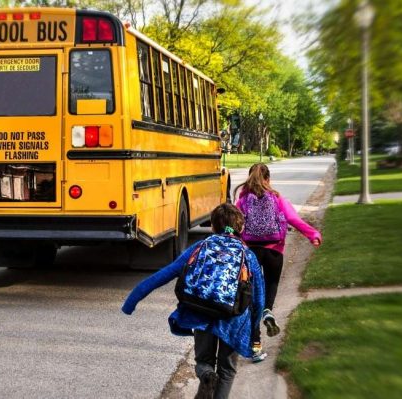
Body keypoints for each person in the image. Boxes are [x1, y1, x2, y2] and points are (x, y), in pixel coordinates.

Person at [121, 203, 265, 399]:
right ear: (240, 228)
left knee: (203, 361)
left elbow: (166, 273)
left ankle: (206, 375)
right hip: (232, 320)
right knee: (227, 370)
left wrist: (133, 299)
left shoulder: (200, 247)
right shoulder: (248, 255)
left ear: (213, 226)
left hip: (201, 313)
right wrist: (254, 330)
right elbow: (258, 299)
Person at [234, 163, 321, 361]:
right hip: (274, 251)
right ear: (268, 179)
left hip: (252, 253)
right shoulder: (278, 198)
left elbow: (234, 225)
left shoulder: (242, 200)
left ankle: (255, 347)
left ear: (250, 178)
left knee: (252, 297)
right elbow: (293, 219)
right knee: (271, 284)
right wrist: (312, 234)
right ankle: (268, 311)